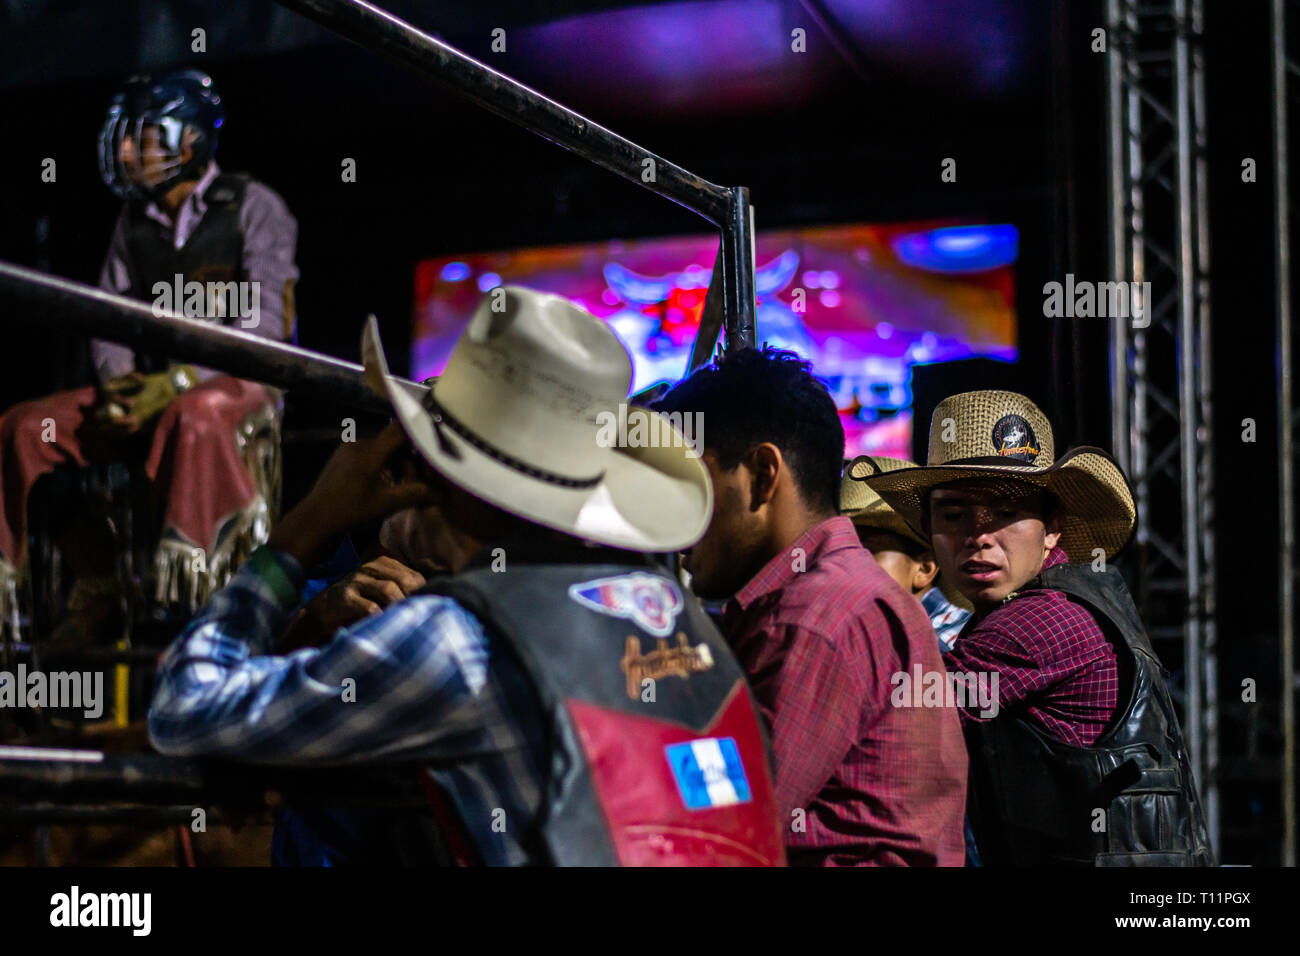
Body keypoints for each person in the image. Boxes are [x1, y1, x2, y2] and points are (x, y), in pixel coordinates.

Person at [148, 286, 786, 867]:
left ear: (446, 474)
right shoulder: (673, 611)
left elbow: (185, 707)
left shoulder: (457, 635)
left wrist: (308, 524)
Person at [0, 68, 299, 644]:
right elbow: (108, 321)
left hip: (235, 388)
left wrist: (183, 380)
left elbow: (264, 325)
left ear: (188, 140)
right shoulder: (131, 224)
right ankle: (100, 576)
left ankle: (192, 601)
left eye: (142, 136)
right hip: (155, 391)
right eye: (123, 137)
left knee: (198, 413)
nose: (126, 151)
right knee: (23, 429)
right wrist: (121, 387)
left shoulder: (254, 205)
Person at [866, 389, 1215, 865]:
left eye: (1006, 513)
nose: (978, 536)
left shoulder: (1040, 619)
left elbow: (888, 717)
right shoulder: (1063, 595)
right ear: (928, 531)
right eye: (953, 515)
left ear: (1052, 527)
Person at [654, 347, 967, 865]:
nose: (672, 518)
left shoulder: (812, 614)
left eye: (689, 484)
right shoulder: (832, 593)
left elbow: (724, 820)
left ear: (761, 474)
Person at [840, 454, 971, 651]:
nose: (846, 566)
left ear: (924, 569)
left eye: (866, 551)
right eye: (840, 553)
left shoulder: (951, 646)